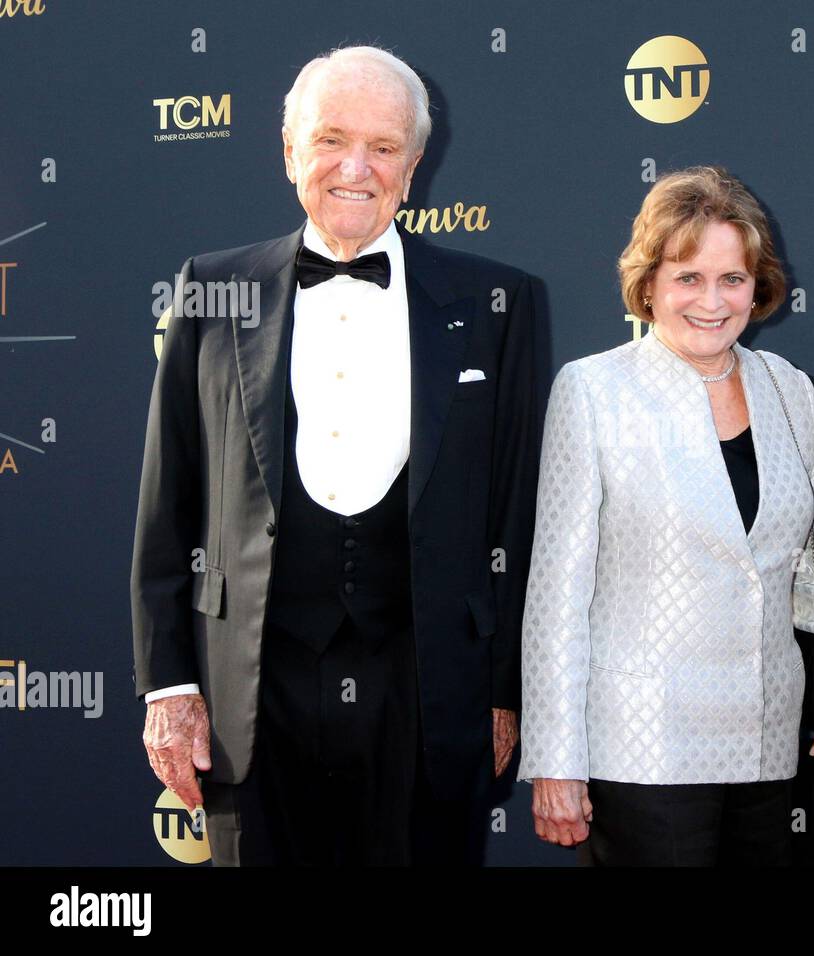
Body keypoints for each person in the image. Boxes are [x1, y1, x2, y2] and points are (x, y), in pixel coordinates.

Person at [130, 45, 540, 866]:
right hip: (252, 687)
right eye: (331, 140)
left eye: (384, 147)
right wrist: (169, 686)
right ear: (289, 153)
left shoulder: (498, 304)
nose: (356, 167)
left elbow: (514, 512)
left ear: (415, 165)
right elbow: (167, 504)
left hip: (427, 692)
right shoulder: (211, 291)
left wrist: (503, 691)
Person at [519, 167, 814, 866]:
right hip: (642, 748)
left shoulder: (791, 390)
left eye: (732, 280)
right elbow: (557, 596)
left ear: (758, 285)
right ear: (648, 284)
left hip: (769, 742)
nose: (712, 302)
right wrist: (556, 758)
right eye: (688, 277)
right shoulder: (594, 391)